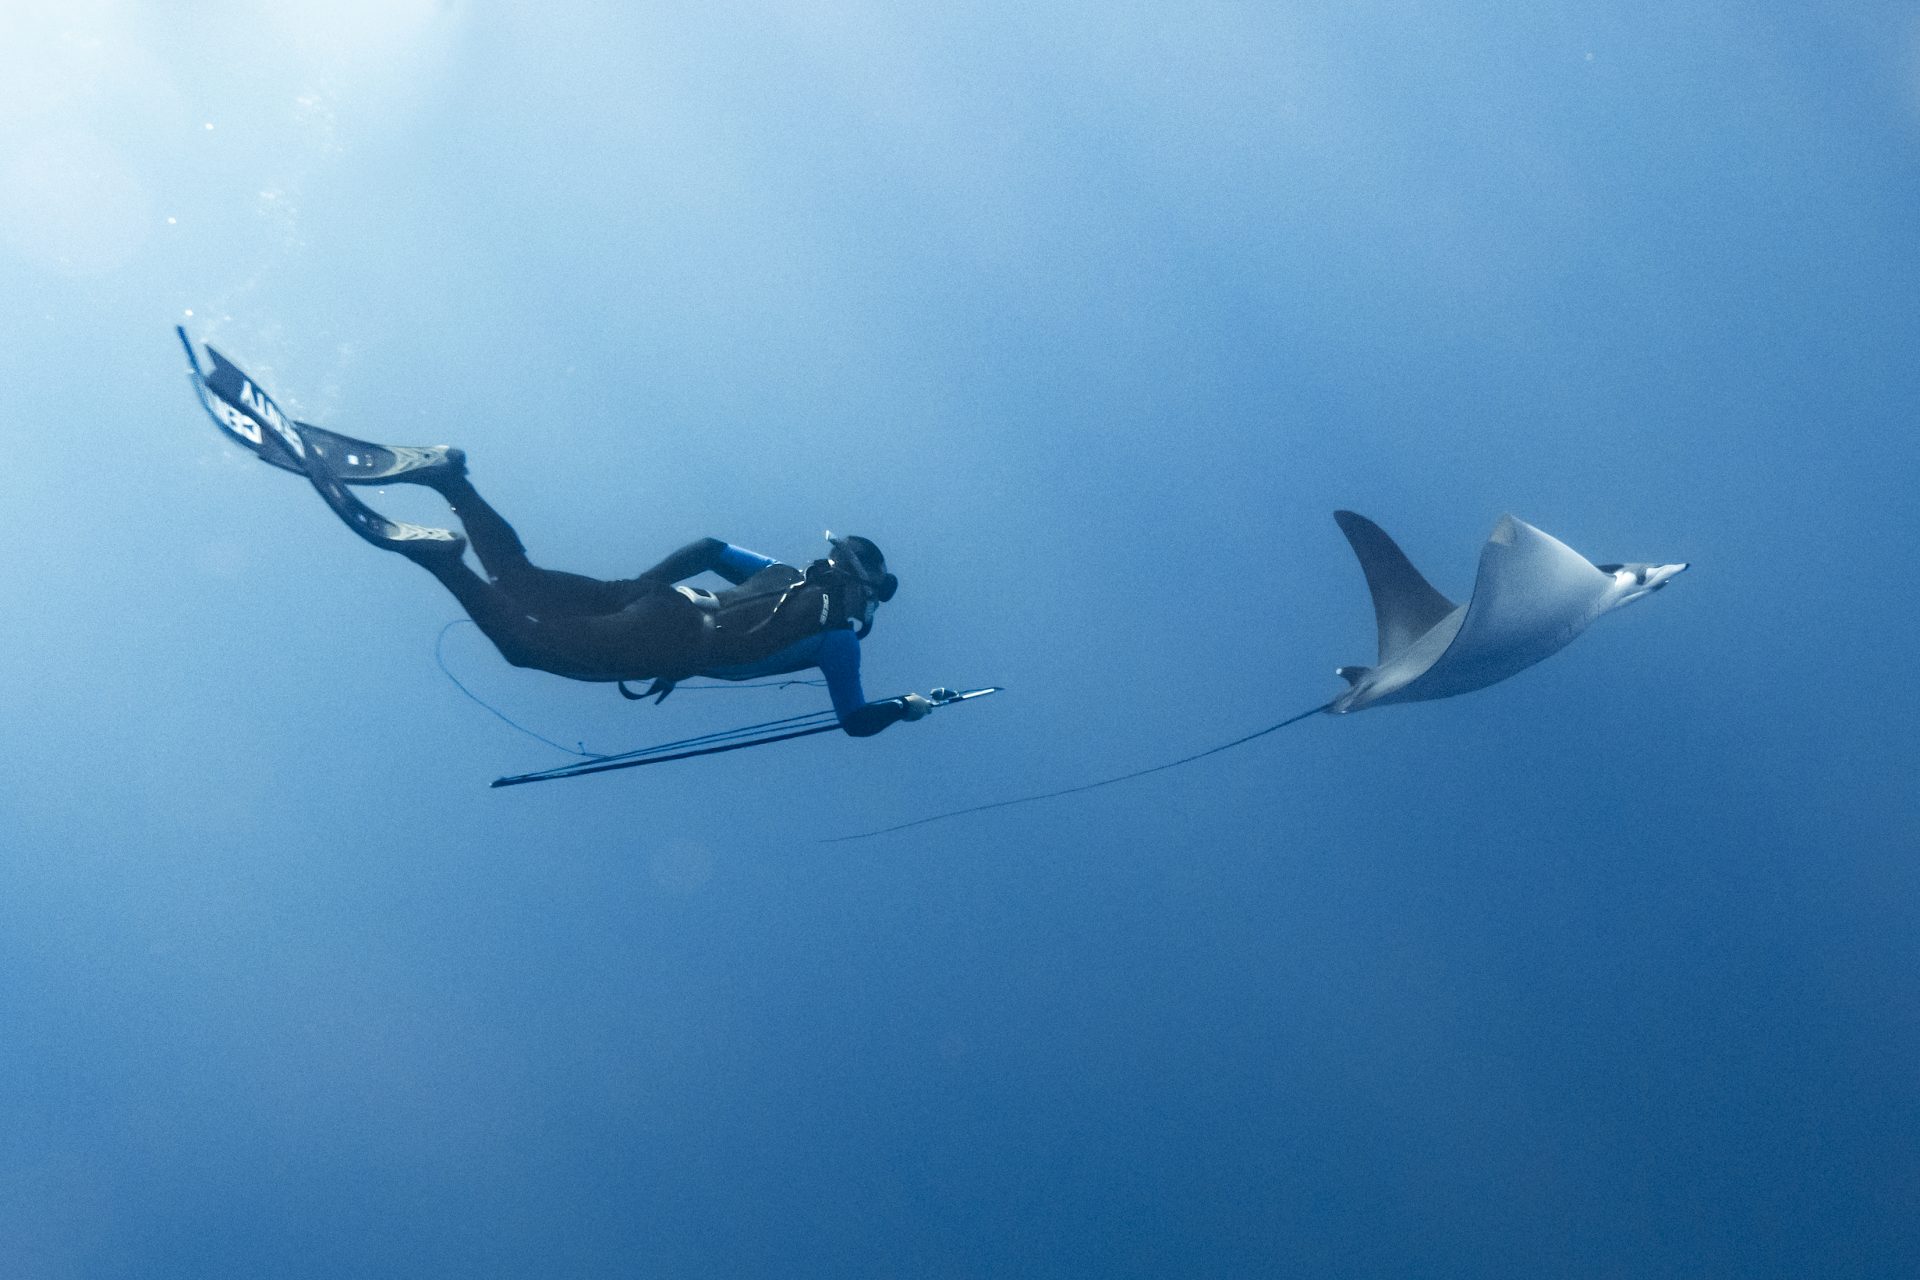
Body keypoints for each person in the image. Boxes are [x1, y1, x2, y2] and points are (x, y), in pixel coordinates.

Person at [182, 334, 934, 737]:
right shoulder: (842, 638)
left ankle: (450, 479)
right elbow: (854, 724)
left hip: (660, 600)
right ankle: (443, 561)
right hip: (673, 640)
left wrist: (640, 588)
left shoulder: (781, 573)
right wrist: (909, 708)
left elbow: (707, 546)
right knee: (523, 647)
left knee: (518, 577)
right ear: (870, 593)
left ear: (835, 559)